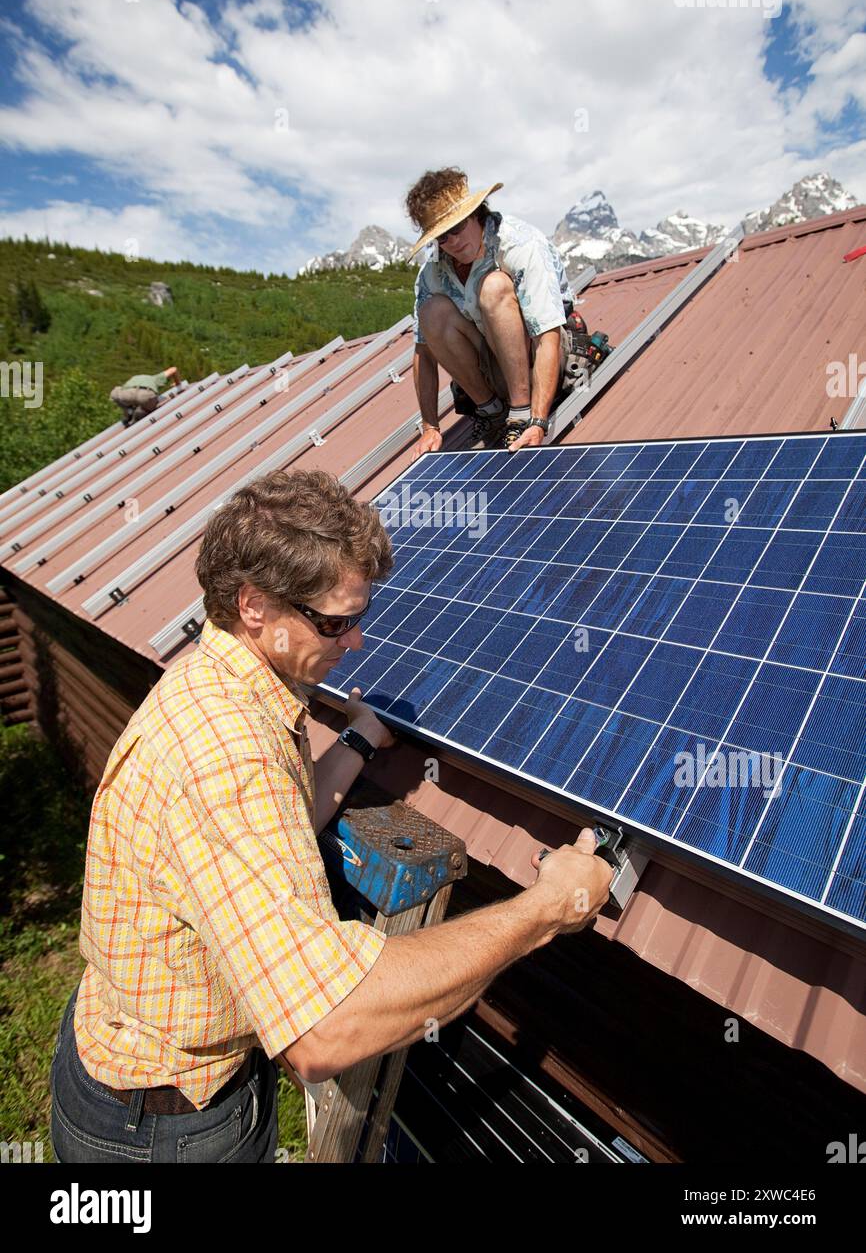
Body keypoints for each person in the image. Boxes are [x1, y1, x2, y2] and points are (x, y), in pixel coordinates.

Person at [49, 469, 612, 1163]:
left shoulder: (223, 679)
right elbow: (324, 1030)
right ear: (253, 603)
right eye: (334, 623)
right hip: (167, 1127)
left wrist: (356, 740)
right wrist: (550, 908)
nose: (356, 644)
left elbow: (273, 823)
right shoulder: (224, 754)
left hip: (137, 1073)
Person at [405, 168, 577, 456]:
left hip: (544, 357)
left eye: (457, 228)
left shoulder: (520, 245)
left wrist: (538, 420)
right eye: (443, 237)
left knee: (494, 286)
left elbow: (547, 336)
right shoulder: (432, 273)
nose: (454, 242)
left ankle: (519, 416)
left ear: (476, 214)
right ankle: (492, 412)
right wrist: (430, 426)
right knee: (431, 310)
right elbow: (423, 352)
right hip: (494, 364)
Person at [109, 365, 179, 427]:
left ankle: (128, 411)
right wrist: (177, 383)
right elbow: (173, 369)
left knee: (116, 392)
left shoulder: (133, 379)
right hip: (146, 395)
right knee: (145, 407)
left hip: (128, 393)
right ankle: (139, 414)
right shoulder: (155, 378)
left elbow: (119, 391)